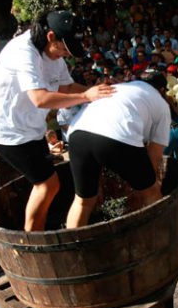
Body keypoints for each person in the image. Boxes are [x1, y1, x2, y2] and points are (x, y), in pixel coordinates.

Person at [0, 10, 114, 232]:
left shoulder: (53, 54)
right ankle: (32, 239)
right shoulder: (23, 52)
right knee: (47, 185)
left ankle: (36, 231)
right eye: (63, 49)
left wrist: (98, 92)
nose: (64, 54)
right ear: (50, 36)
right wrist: (86, 96)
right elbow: (40, 99)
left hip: (32, 128)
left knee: (48, 184)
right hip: (9, 131)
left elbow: (66, 87)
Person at [65, 71, 171, 228]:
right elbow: (154, 158)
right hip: (117, 136)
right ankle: (160, 235)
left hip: (77, 134)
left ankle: (72, 242)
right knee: (151, 191)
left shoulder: (120, 88)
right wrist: (145, 185)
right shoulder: (161, 105)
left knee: (83, 201)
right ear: (162, 90)